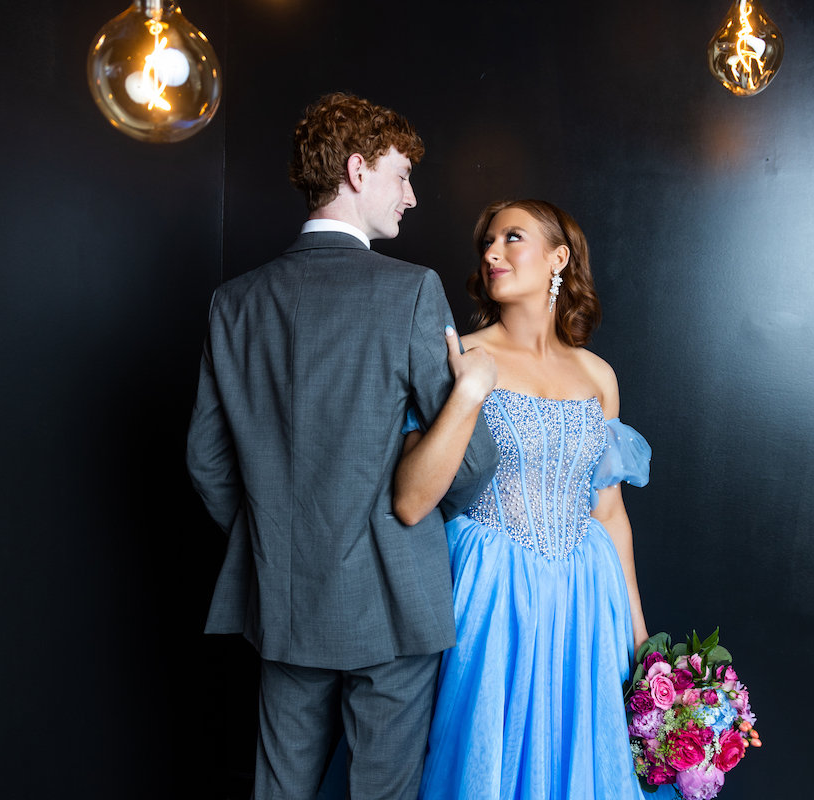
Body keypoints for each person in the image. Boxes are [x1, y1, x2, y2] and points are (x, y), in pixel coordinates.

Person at [185, 92, 499, 800]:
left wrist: (275, 533)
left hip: (283, 597)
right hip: (391, 601)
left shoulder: (233, 303)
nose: (412, 197)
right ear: (358, 171)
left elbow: (205, 459)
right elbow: (473, 460)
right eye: (402, 175)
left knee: (281, 788)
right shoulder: (412, 292)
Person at [394, 198, 662, 798]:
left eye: (512, 238)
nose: (492, 253)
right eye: (487, 243)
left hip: (586, 600)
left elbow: (611, 513)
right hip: (488, 590)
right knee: (483, 755)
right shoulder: (458, 356)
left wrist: (642, 640)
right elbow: (412, 492)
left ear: (557, 259)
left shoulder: (598, 376)